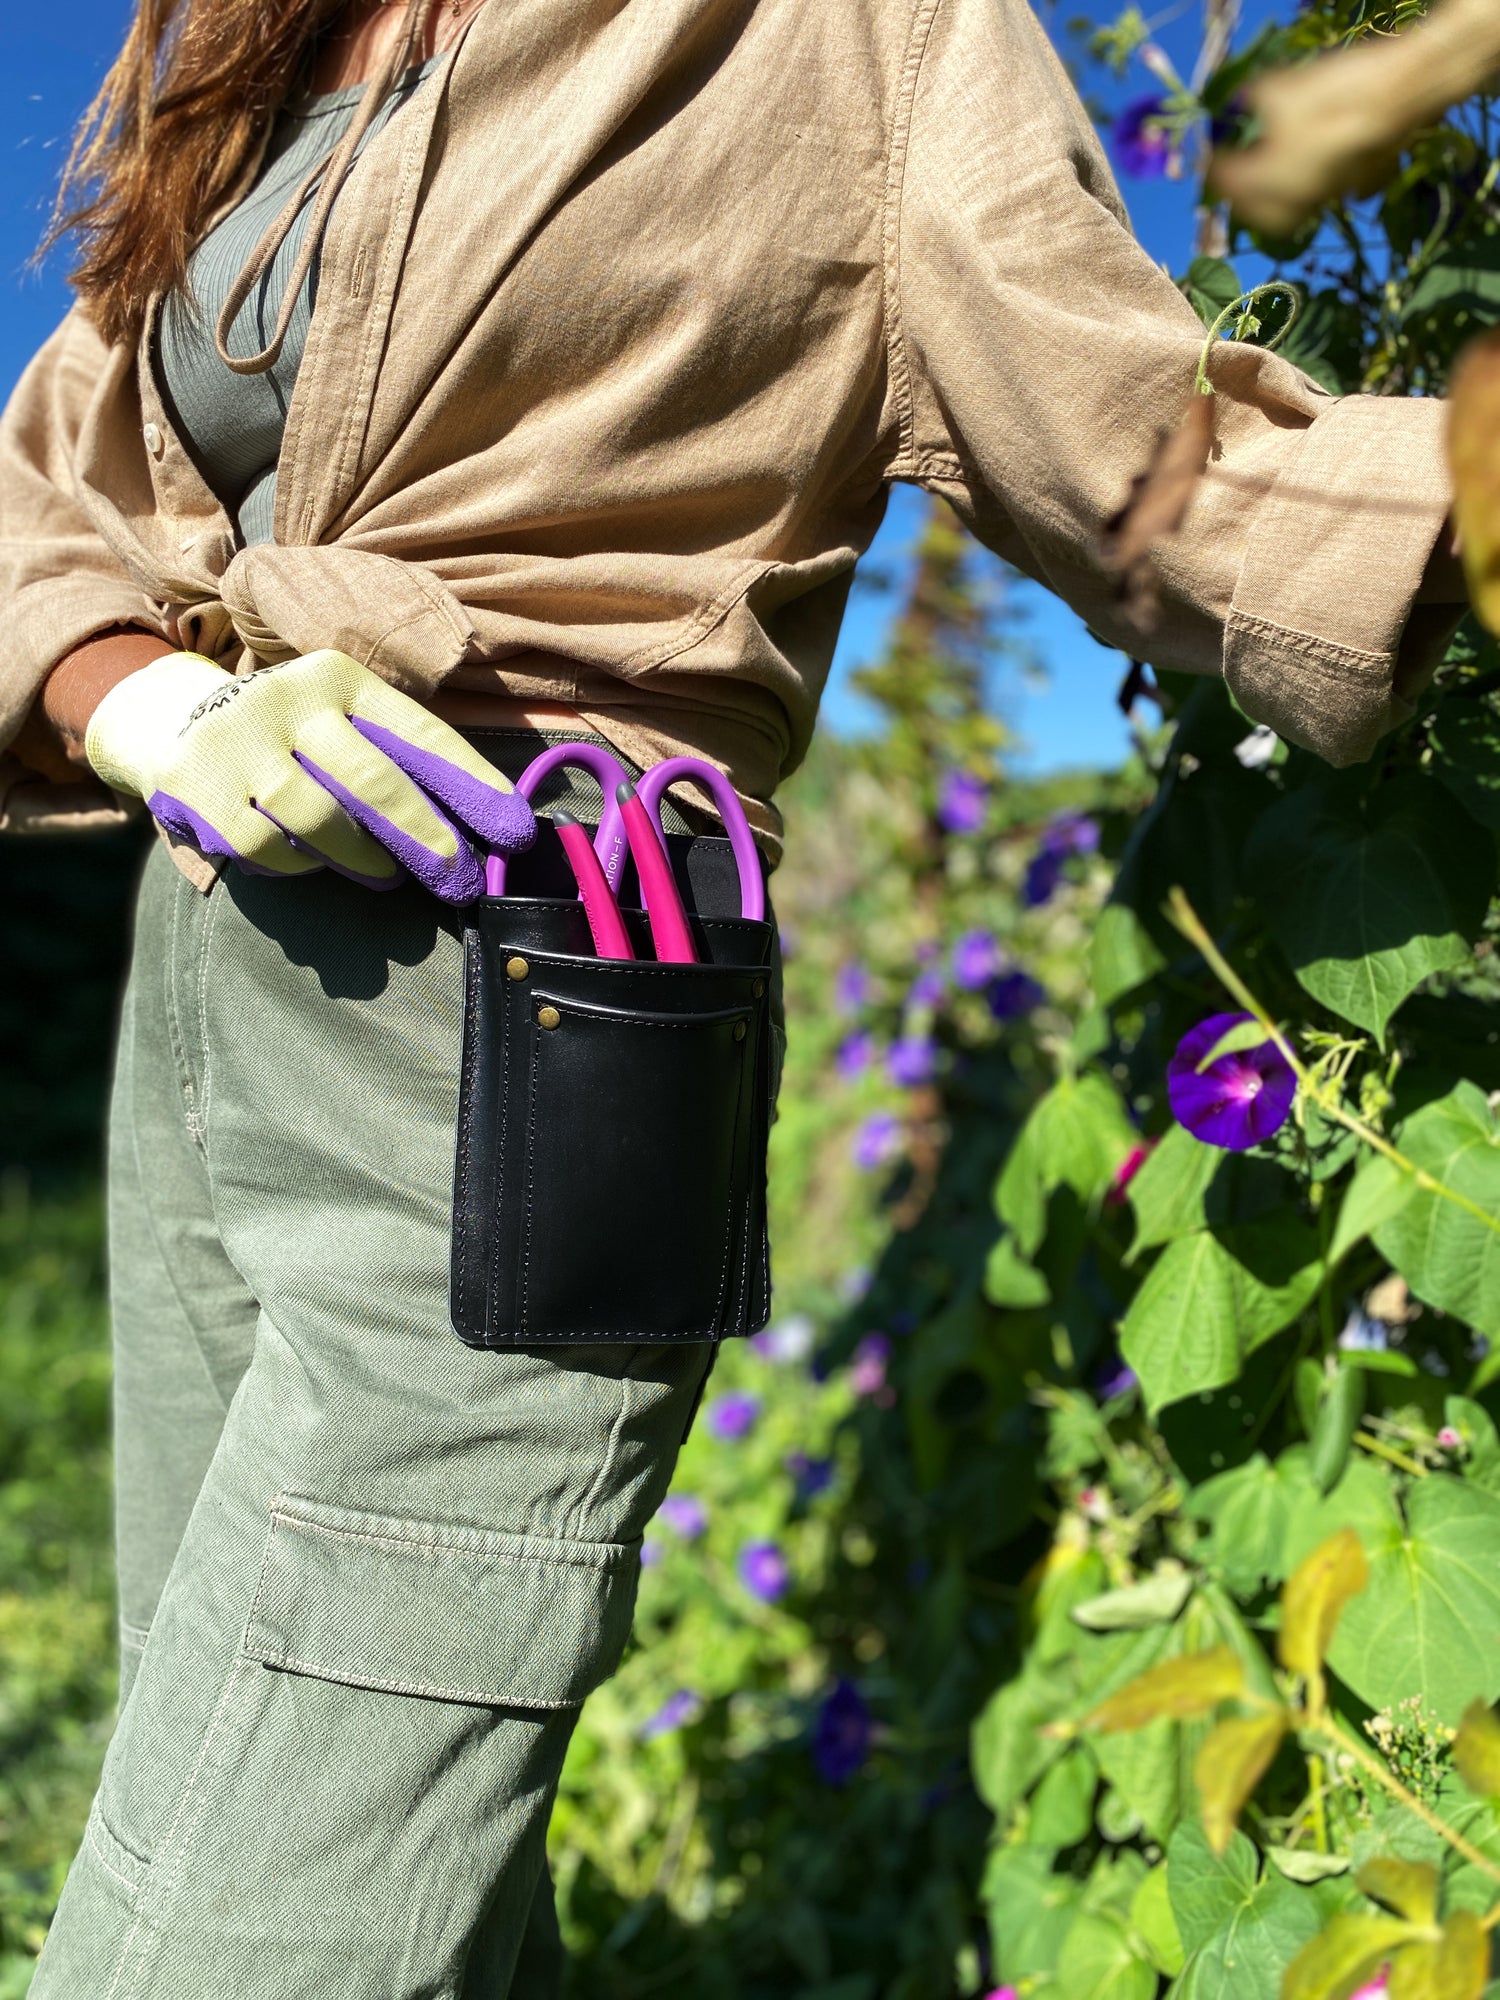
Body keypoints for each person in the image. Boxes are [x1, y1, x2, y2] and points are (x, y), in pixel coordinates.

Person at [0, 0, 1468, 1990]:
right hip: (212, 970)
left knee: (248, 1924)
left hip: (535, 996)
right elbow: (52, 498)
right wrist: (146, 700)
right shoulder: (246, 46)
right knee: (298, 1797)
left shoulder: (861, 28)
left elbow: (1148, 462)